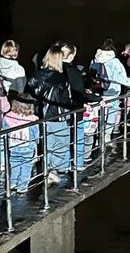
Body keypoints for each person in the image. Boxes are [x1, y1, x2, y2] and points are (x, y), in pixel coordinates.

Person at [27, 44, 76, 184]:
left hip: (40, 115)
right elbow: (66, 98)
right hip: (57, 115)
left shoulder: (35, 76)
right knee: (61, 143)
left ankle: (47, 170)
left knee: (46, 143)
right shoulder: (61, 78)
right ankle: (54, 170)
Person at [91, 40, 130, 141]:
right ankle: (106, 135)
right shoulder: (115, 61)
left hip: (99, 91)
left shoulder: (95, 59)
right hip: (112, 92)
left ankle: (98, 137)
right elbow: (122, 78)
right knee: (112, 113)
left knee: (101, 114)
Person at [5, 95, 40, 192]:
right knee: (26, 166)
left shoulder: (8, 117)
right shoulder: (33, 119)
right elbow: (36, 135)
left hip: (13, 146)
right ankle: (22, 186)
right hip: (28, 147)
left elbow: (4, 129)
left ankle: (13, 182)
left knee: (14, 164)